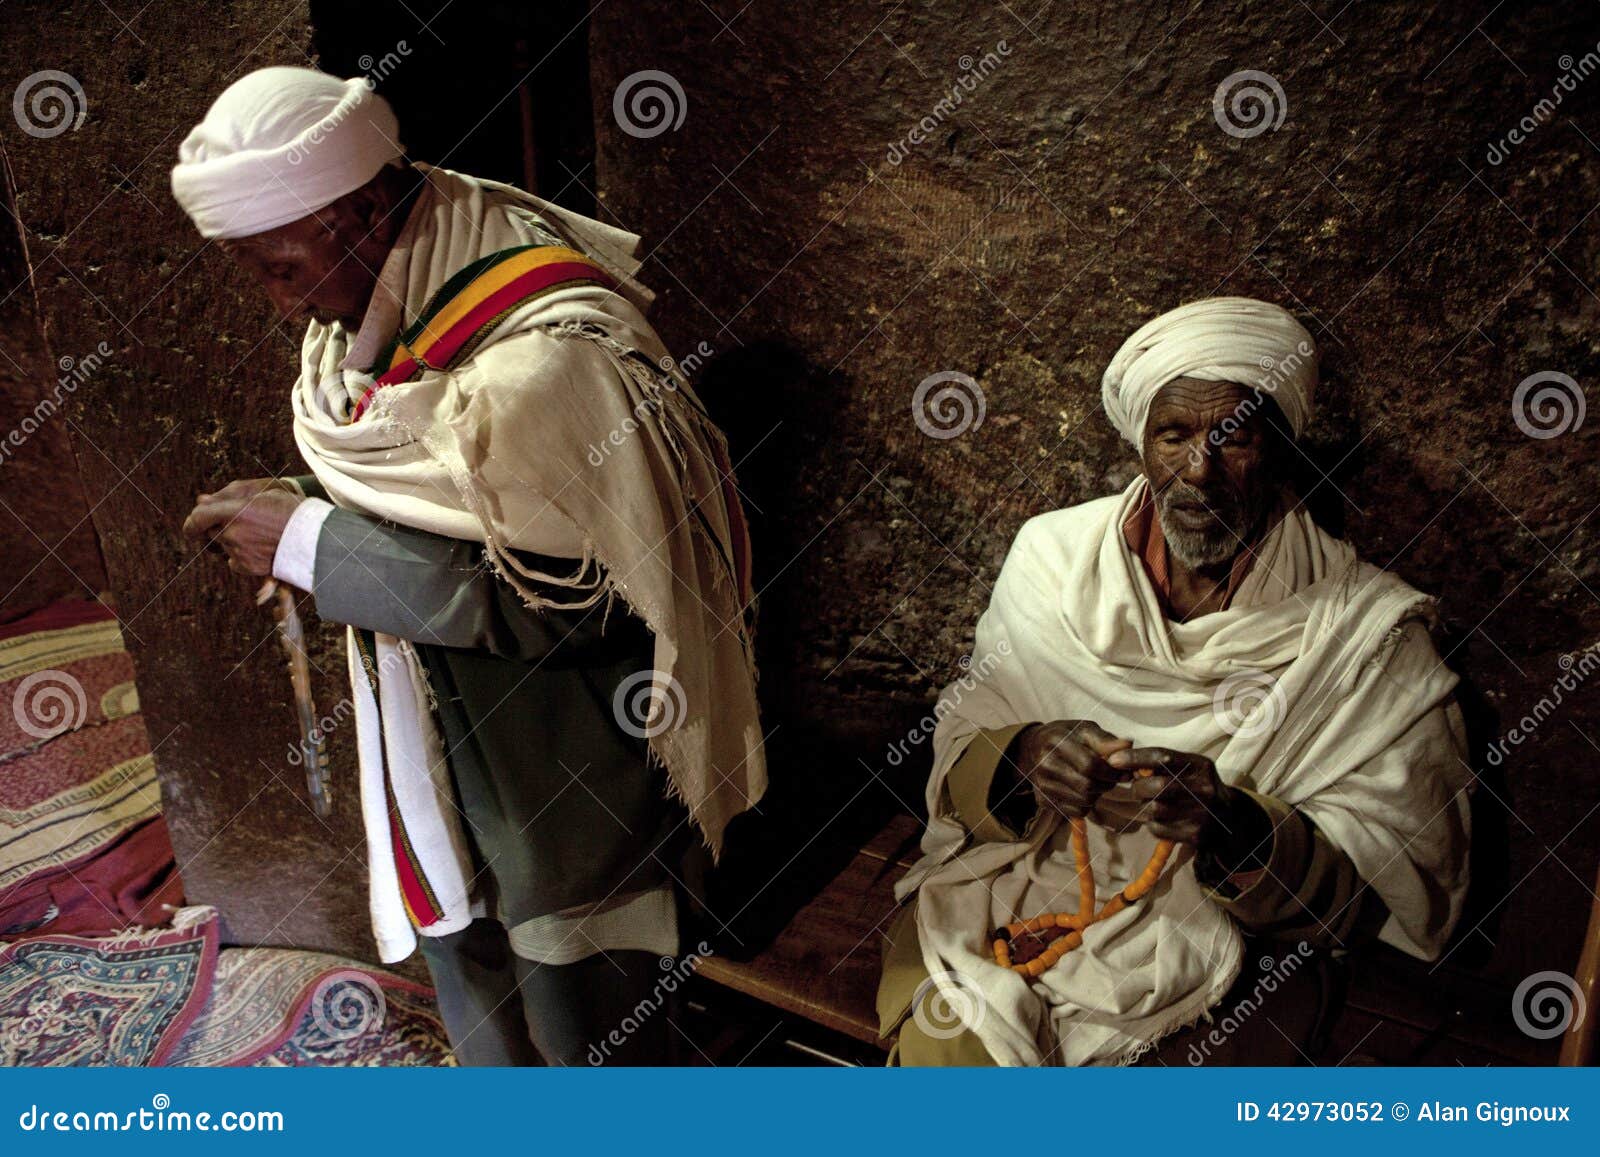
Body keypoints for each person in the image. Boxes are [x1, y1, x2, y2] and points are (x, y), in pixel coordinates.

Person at [173, 67, 764, 1065]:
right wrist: (304, 513)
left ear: (360, 209)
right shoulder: (383, 301)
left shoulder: (541, 367)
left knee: (593, 1045)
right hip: (440, 746)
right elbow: (443, 500)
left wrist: (314, 544)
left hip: (566, 783)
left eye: (276, 267)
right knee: (481, 1018)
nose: (275, 304)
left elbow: (586, 604)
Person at [878, 297, 1473, 1066]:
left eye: (1236, 439)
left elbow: (1399, 877)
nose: (1200, 469)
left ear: (1282, 449)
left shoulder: (1363, 636)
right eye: (1176, 435)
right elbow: (962, 744)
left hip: (1225, 946)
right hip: (1016, 892)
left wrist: (1233, 825)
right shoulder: (1052, 560)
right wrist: (1027, 756)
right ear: (1141, 447)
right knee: (950, 1069)